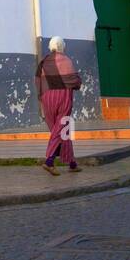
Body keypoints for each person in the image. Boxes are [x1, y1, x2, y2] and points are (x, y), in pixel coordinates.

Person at [35, 36, 81, 175]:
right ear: (62, 46)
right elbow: (74, 80)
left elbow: (38, 81)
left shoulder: (43, 62)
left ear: (50, 47)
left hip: (47, 98)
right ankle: (49, 160)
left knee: (63, 129)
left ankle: (72, 163)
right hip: (62, 97)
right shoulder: (66, 60)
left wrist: (42, 97)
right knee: (61, 128)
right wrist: (77, 82)